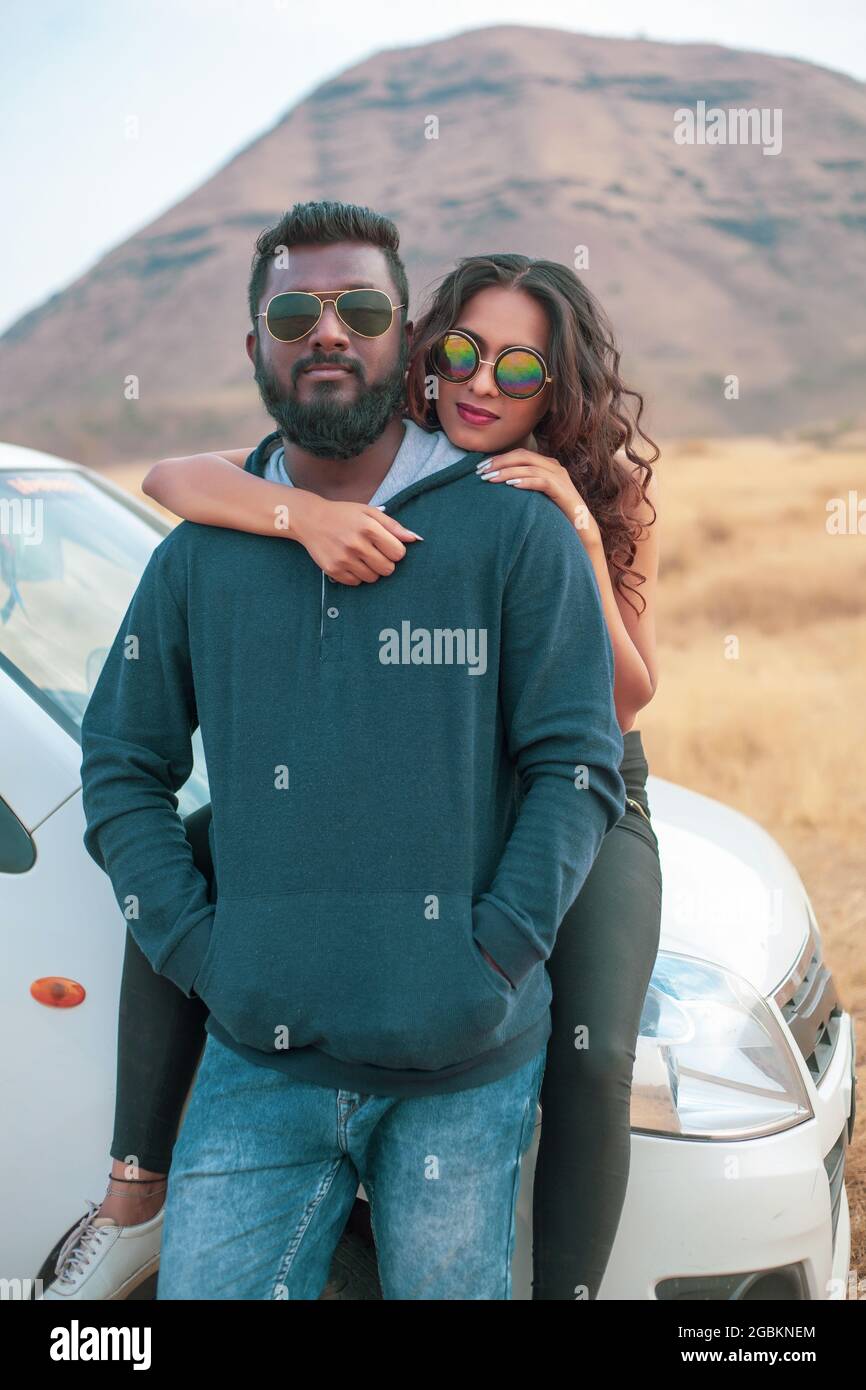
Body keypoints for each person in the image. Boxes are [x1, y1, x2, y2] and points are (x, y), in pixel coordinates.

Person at [60, 201, 626, 1301]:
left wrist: (493, 956)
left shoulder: (509, 526)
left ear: (401, 338)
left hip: (464, 1070)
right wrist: (206, 956)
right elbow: (120, 765)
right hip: (254, 1069)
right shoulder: (199, 557)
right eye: (293, 311)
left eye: (358, 307)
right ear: (255, 347)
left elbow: (577, 761)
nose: (326, 331)